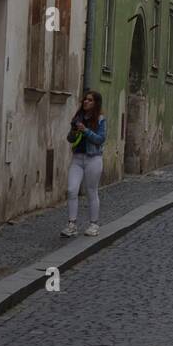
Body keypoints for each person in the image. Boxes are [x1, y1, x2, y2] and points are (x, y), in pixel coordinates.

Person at [61, 90, 106, 238]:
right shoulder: (78, 118)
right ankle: (72, 224)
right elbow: (70, 139)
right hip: (78, 158)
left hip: (93, 158)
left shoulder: (100, 119)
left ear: (96, 103)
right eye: (85, 99)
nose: (86, 102)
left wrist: (86, 131)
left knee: (91, 191)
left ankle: (94, 224)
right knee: (72, 190)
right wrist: (74, 130)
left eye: (90, 100)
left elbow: (100, 139)